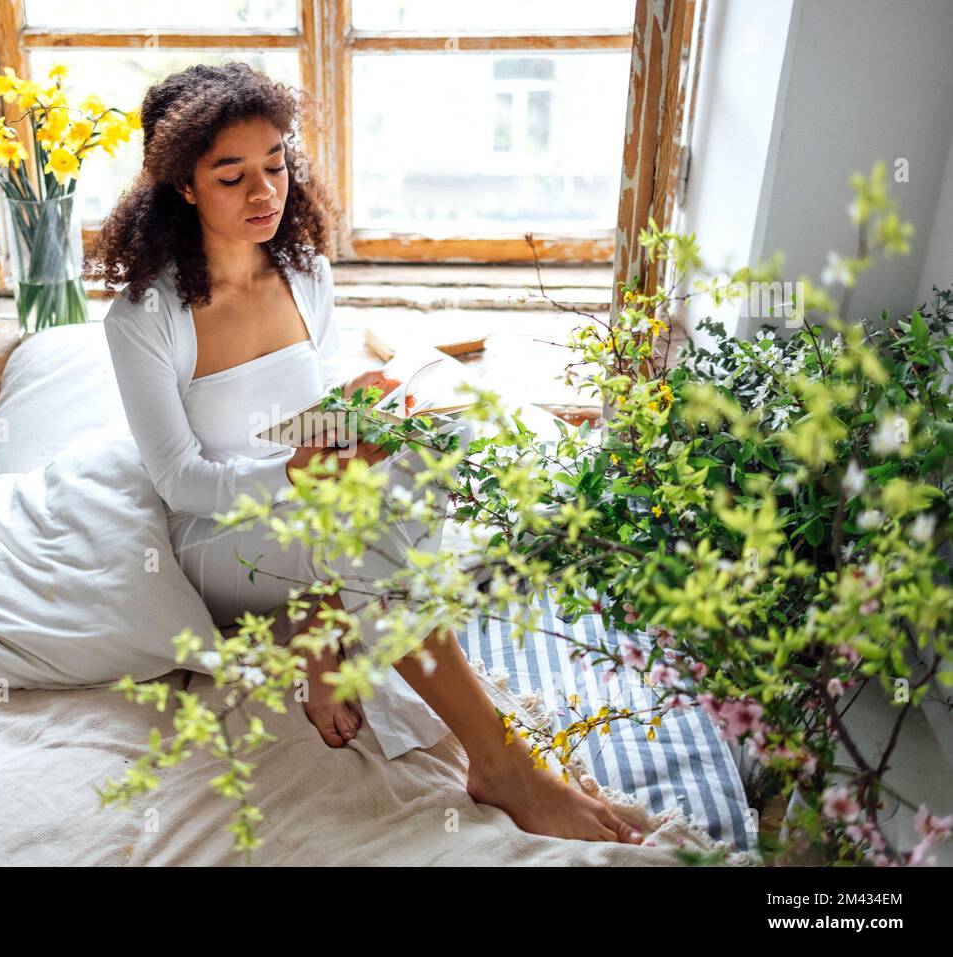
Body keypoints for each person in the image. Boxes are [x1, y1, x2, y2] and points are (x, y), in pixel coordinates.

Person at [91, 62, 642, 845]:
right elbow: (181, 483)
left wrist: (358, 410)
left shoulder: (305, 271)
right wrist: (295, 470)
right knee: (363, 530)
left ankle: (327, 621)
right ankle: (502, 762)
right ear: (183, 185)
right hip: (222, 539)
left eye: (277, 165)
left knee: (440, 439)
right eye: (232, 176)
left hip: (312, 502)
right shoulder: (145, 319)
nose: (265, 193)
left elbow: (309, 414)